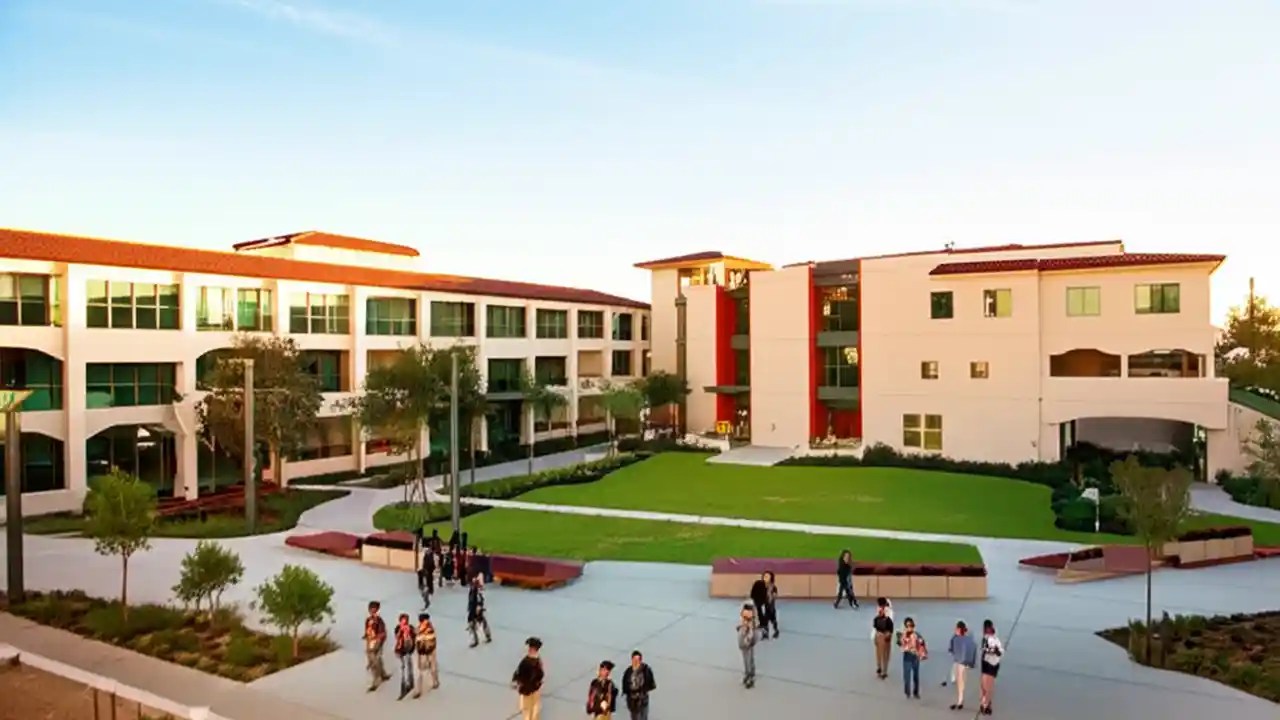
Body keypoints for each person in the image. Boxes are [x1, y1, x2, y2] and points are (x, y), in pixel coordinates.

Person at [942, 620, 978, 710]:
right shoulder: (967, 638)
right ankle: (960, 699)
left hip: (960, 661)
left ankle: (960, 700)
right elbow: (973, 649)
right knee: (961, 679)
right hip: (964, 661)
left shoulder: (957, 638)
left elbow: (951, 649)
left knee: (960, 680)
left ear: (958, 629)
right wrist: (972, 663)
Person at [512, 637, 545, 720]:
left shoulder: (528, 661)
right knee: (533, 709)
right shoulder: (535, 660)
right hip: (532, 687)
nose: (529, 649)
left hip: (528, 688)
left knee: (529, 709)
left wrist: (517, 680)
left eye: (531, 648)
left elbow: (520, 673)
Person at [620, 650, 657, 720]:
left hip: (642, 699)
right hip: (632, 700)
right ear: (632, 660)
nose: (636, 661)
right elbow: (625, 686)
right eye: (634, 659)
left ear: (641, 660)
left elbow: (651, 684)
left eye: (638, 659)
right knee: (634, 717)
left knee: (642, 717)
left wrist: (643, 690)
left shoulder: (646, 670)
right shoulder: (628, 671)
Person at [363, 601, 391, 692]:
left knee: (374, 661)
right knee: (375, 660)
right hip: (370, 641)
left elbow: (382, 633)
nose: (372, 611)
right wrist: (366, 636)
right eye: (371, 609)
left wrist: (379, 641)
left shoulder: (379, 621)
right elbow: (367, 630)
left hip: (377, 642)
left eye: (374, 610)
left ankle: (376, 680)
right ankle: (383, 674)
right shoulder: (368, 620)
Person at [898, 616, 928, 699]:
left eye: (912, 625)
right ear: (905, 627)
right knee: (906, 677)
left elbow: (922, 644)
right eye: (908, 626)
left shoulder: (917, 635)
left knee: (916, 676)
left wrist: (922, 654)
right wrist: (905, 640)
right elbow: (901, 646)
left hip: (915, 658)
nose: (910, 628)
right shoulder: (902, 635)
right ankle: (907, 692)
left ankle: (916, 692)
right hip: (907, 658)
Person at [979, 619, 1003, 716]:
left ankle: (985, 703)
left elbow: (985, 649)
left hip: (986, 663)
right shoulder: (995, 638)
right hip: (994, 664)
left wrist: (991, 650)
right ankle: (987, 704)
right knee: (989, 685)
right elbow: (999, 652)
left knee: (985, 685)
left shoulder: (986, 638)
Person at [413, 612, 439, 697]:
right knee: (422, 669)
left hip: (430, 651)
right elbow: (417, 639)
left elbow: (431, 640)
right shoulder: (418, 628)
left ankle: (435, 681)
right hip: (422, 652)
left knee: (432, 667)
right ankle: (419, 689)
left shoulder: (430, 629)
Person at [392, 612, 416, 700]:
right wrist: (401, 631)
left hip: (408, 650)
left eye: (405, 621)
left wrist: (408, 632)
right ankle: (406, 683)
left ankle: (409, 682)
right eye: (402, 621)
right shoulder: (398, 628)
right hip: (400, 650)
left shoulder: (411, 628)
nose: (403, 623)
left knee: (407, 667)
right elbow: (397, 637)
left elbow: (414, 637)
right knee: (403, 667)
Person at [872, 598, 895, 679]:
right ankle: (882, 669)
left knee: (882, 653)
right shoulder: (885, 612)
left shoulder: (888, 612)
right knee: (883, 653)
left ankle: (882, 668)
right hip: (882, 633)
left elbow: (889, 625)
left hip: (884, 633)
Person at [467, 575, 492, 647]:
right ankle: (485, 636)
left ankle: (477, 640)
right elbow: (471, 600)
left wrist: (479, 607)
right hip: (472, 609)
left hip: (476, 610)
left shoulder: (477, 591)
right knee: (476, 624)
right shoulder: (472, 590)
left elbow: (480, 600)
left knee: (475, 624)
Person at [736, 603, 758, 688]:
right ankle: (748, 673)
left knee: (749, 658)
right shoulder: (746, 618)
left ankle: (750, 675)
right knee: (746, 659)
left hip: (748, 639)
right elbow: (743, 624)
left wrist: (748, 639)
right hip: (743, 639)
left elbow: (751, 631)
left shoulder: (751, 622)